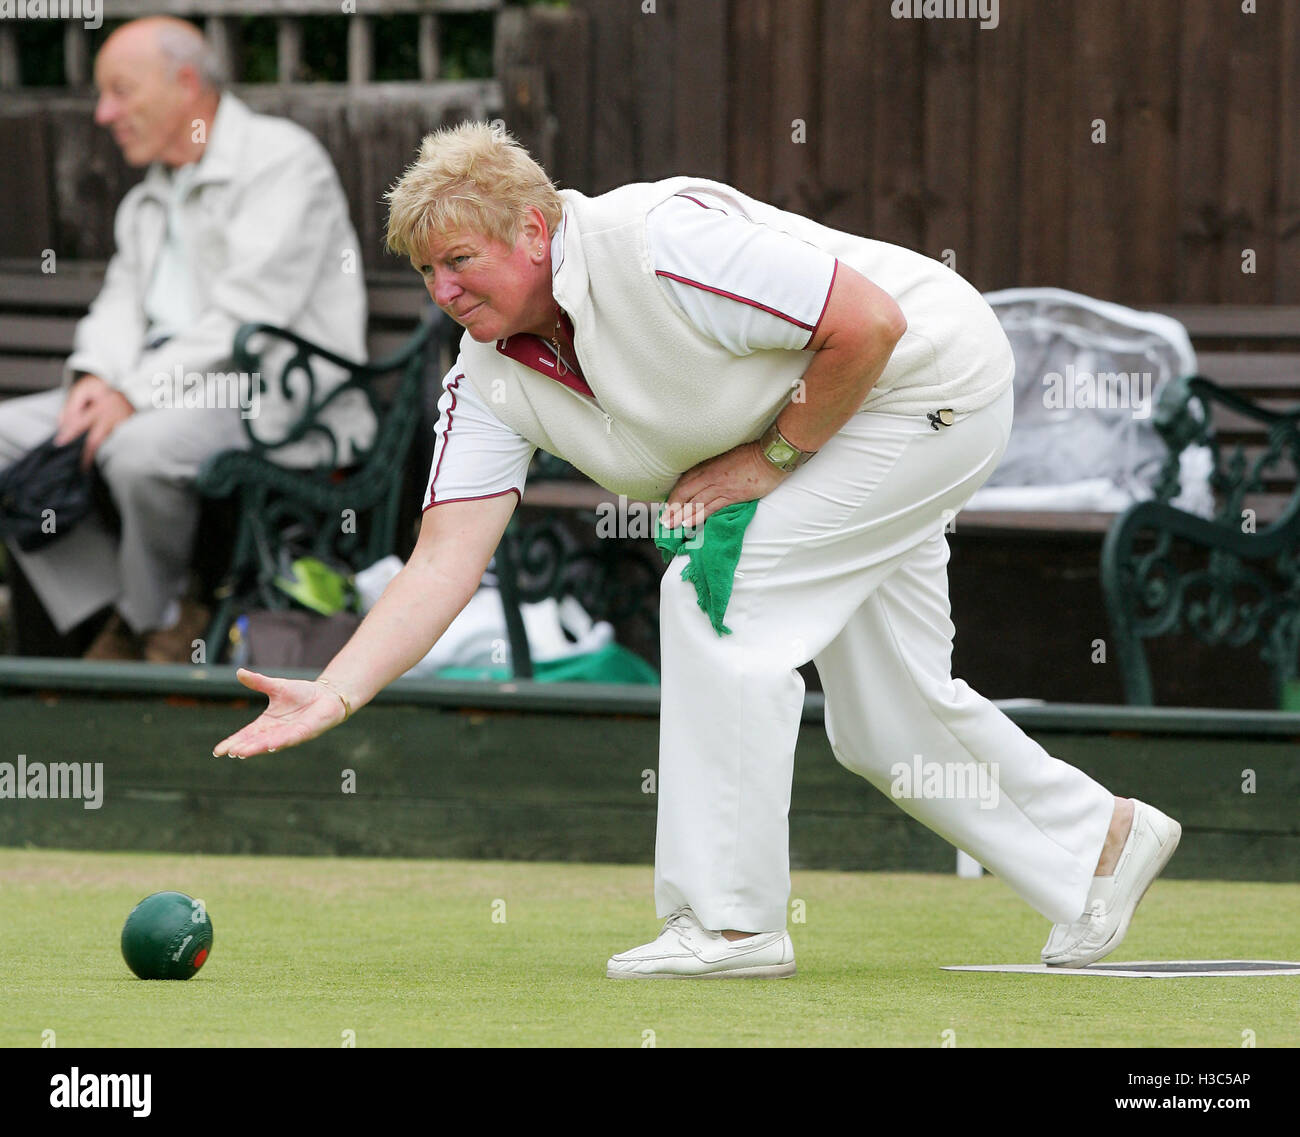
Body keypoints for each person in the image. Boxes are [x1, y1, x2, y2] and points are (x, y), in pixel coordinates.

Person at [213, 123, 1182, 979]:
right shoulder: (488, 373)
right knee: (883, 724)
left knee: (716, 595)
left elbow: (869, 325)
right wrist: (334, 688)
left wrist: (768, 460)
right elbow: (442, 560)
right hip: (837, 432)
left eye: (460, 259)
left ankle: (727, 927)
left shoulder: (659, 242)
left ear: (535, 230)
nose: (444, 289)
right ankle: (1097, 844)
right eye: (426, 272)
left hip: (924, 383)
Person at [0, 17, 371, 662]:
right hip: (160, 389)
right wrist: (96, 379)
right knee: (10, 435)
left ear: (186, 84)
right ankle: (119, 613)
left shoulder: (280, 161)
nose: (103, 113)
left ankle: (154, 616)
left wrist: (132, 396)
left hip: (269, 398)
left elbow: (248, 314)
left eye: (120, 91)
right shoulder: (152, 196)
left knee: (138, 450)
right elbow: (119, 304)